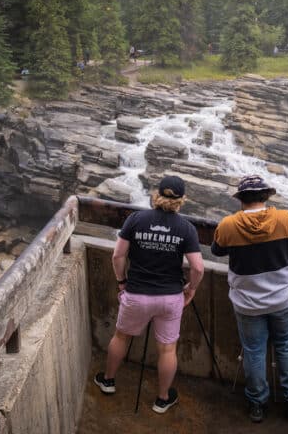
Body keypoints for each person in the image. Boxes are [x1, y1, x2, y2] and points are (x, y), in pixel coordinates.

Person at [94, 175, 204, 414]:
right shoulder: (186, 228)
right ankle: (162, 399)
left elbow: (118, 256)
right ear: (181, 200)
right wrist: (191, 288)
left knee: (121, 337)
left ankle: (108, 381)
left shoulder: (136, 219)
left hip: (137, 294)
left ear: (157, 194)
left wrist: (122, 281)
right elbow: (197, 267)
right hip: (170, 297)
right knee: (167, 349)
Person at [211, 175, 288, 423]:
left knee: (254, 350)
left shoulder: (228, 225)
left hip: (247, 303)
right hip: (282, 299)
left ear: (241, 199)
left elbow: (217, 250)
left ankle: (257, 404)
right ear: (266, 196)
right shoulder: (287, 219)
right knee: (286, 345)